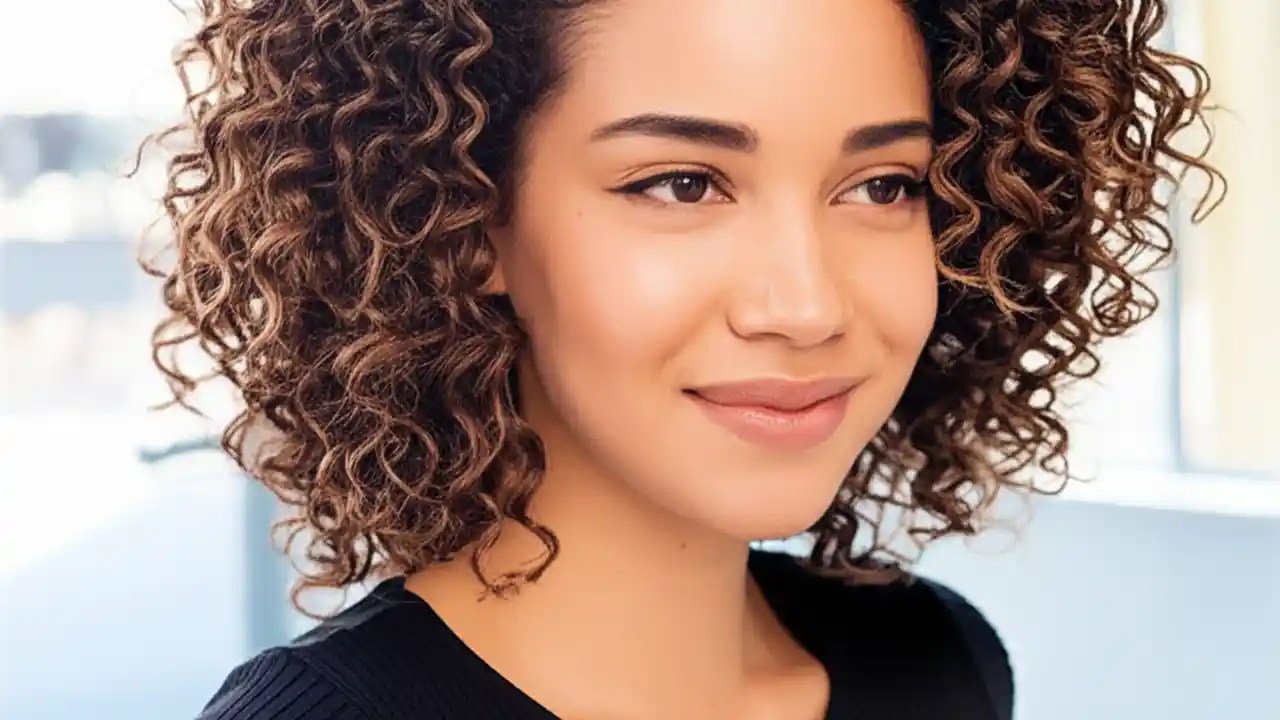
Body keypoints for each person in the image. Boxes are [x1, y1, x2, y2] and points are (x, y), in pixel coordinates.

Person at [149, 0, 1220, 717]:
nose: (804, 305)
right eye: (681, 184)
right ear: (461, 220)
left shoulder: (934, 665)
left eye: (882, 186)